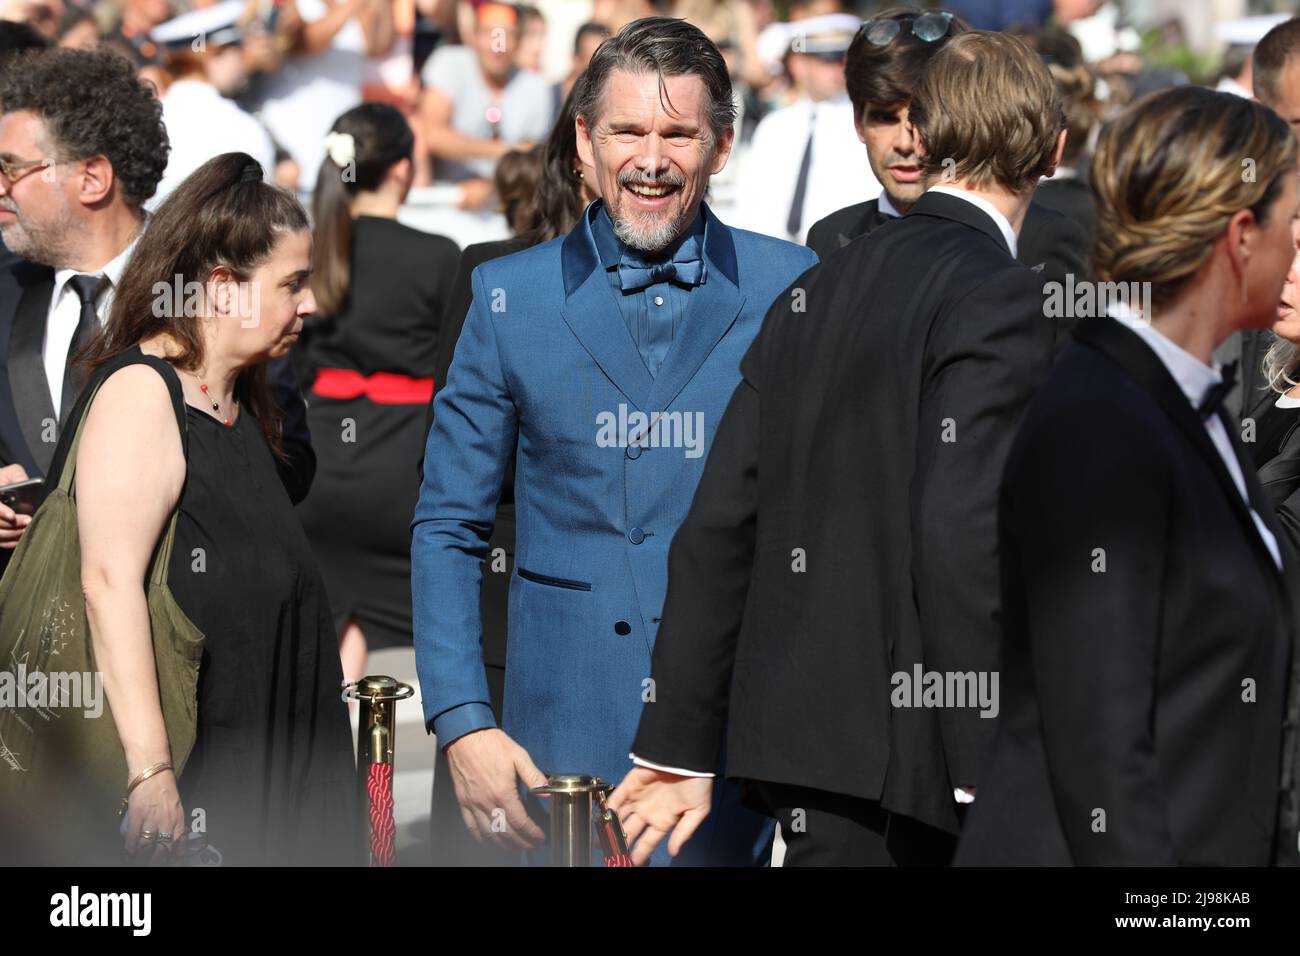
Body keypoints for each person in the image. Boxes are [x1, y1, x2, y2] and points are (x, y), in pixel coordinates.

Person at [609, 29, 1062, 866]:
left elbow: (719, 526)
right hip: (925, 772)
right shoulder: (1004, 295)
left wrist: (676, 743)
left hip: (807, 754)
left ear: (930, 133)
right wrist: (988, 754)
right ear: (1057, 149)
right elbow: (962, 531)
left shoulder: (817, 284)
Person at [412, 16, 817, 866]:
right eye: (628, 129)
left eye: (679, 133)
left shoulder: (793, 288)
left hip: (728, 743)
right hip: (554, 738)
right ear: (583, 143)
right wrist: (459, 722)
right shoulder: (504, 299)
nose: (652, 158)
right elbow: (449, 526)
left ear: (721, 145)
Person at [955, 86, 1300, 866]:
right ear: (1242, 237)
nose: (1298, 250)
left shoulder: (1184, 400)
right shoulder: (1103, 424)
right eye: (1295, 225)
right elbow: (1101, 744)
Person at [29, 151, 359, 864]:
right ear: (223, 288)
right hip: (200, 796)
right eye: (292, 285)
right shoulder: (143, 392)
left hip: (279, 778)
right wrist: (151, 773)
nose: (309, 305)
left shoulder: (244, 400)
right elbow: (107, 584)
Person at [0, 48, 315, 578]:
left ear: (92, 178)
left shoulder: (213, 288)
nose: (1, 187)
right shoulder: (6, 286)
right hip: (26, 632)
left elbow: (290, 465)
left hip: (179, 622)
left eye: (12, 168)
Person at [420, 76, 597, 866]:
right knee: (491, 835)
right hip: (505, 605)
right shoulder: (494, 277)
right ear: (579, 155)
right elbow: (456, 466)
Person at [293, 103, 459, 688]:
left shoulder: (307, 252)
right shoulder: (438, 256)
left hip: (318, 472)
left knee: (340, 644)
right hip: (402, 480)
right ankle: (382, 780)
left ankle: (343, 780)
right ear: (404, 170)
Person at [804, 7, 1087, 349]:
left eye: (921, 119)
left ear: (962, 118)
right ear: (858, 122)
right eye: (884, 117)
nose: (906, 142)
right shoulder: (830, 237)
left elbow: (1070, 379)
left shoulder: (1043, 236)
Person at [731, 13, 880, 244]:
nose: (839, 68)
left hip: (838, 253)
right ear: (798, 64)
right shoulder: (775, 126)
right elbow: (752, 203)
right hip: (774, 253)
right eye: (828, 59)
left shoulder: (863, 123)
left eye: (844, 58)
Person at [417, 2, 552, 209]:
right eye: (490, 33)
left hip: (509, 204)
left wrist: (491, 188)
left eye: (507, 34)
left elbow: (533, 158)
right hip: (446, 199)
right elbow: (433, 135)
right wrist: (505, 150)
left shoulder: (537, 87)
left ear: (517, 40)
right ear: (474, 35)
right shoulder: (448, 64)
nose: (497, 45)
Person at [149, 2, 277, 209]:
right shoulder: (242, 126)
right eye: (236, 49)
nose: (241, 61)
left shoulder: (147, 118)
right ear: (212, 56)